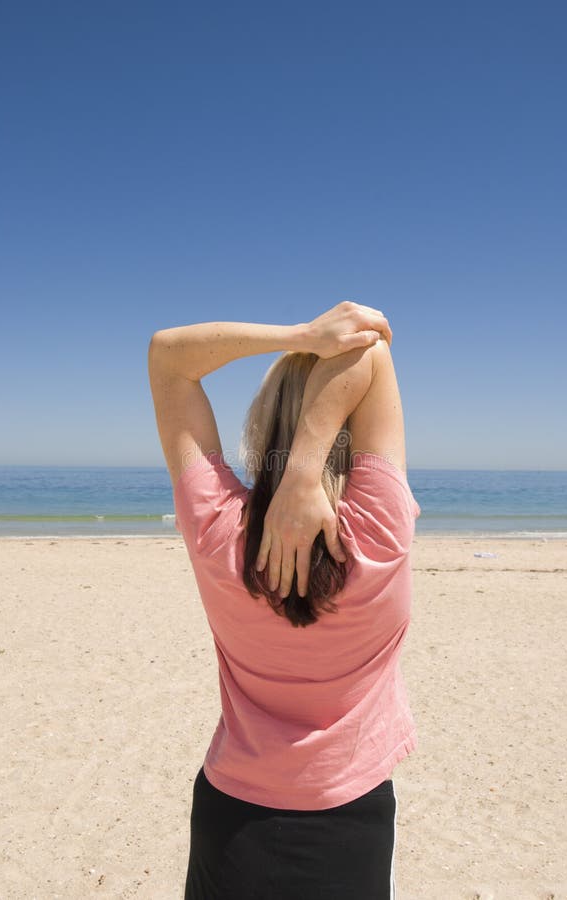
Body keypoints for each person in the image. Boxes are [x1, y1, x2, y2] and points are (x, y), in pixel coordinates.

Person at [148, 300, 422, 900]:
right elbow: (371, 344)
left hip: (233, 817)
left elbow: (169, 357)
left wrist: (299, 337)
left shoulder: (216, 526)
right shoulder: (378, 530)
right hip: (351, 813)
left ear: (264, 419)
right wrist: (306, 470)